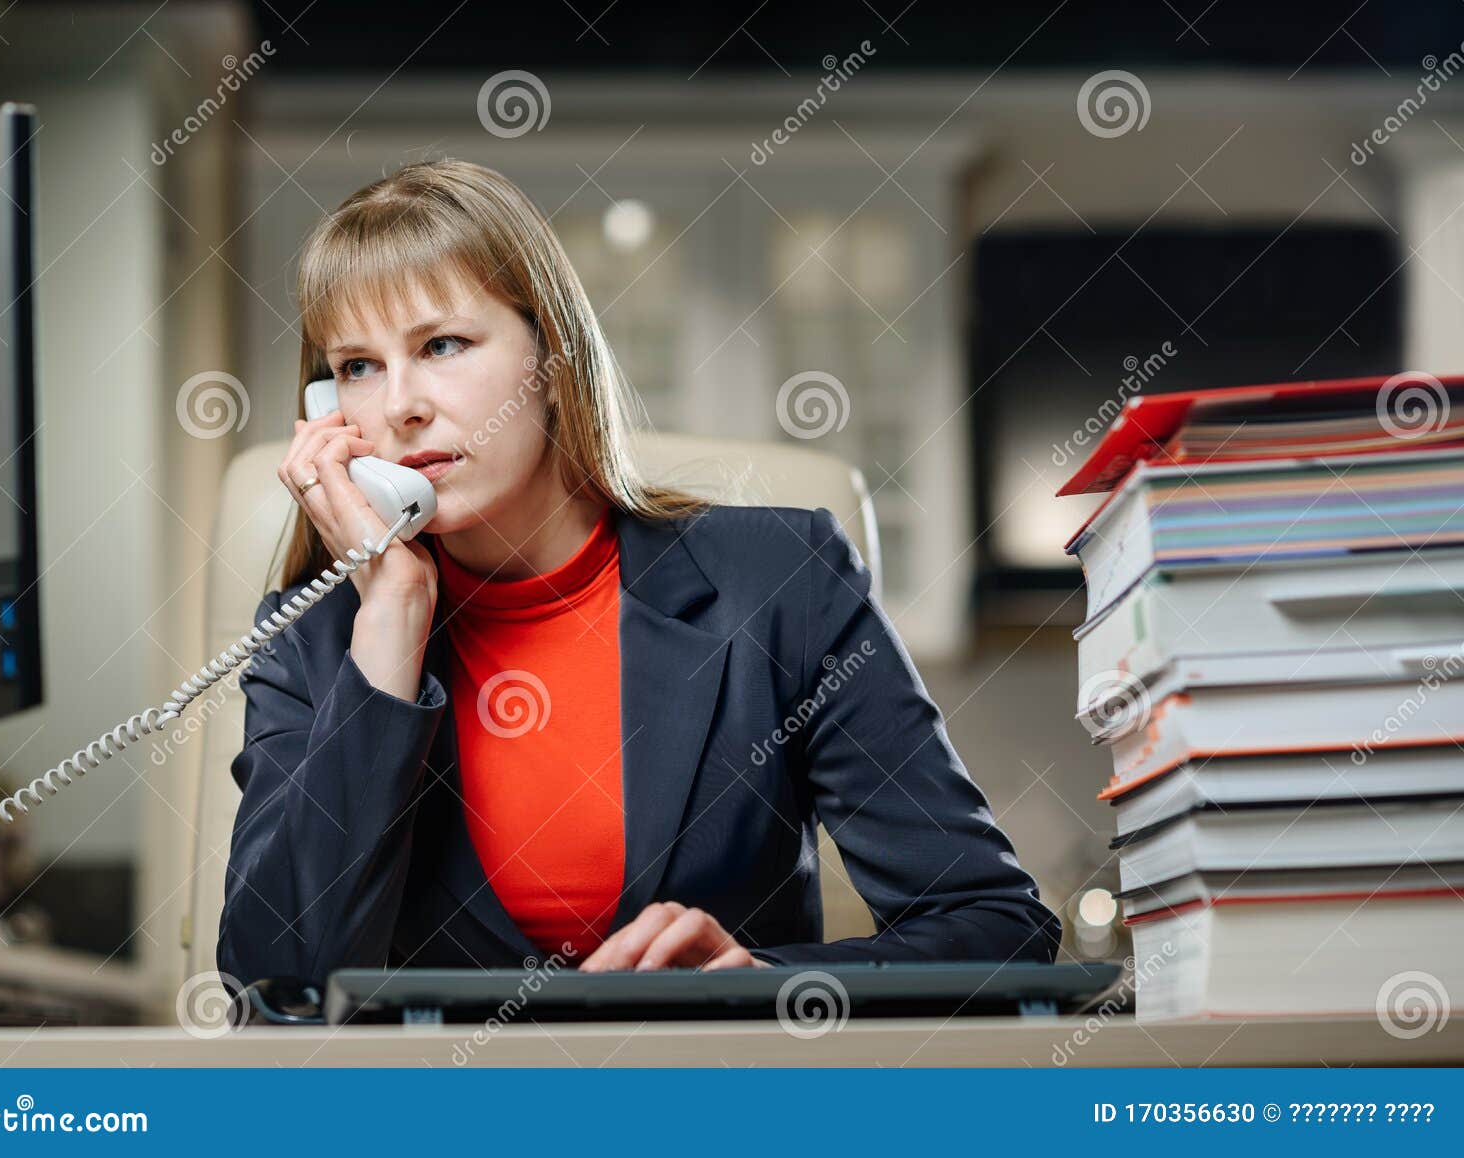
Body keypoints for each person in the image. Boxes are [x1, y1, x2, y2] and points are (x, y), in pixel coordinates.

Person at [217, 159, 1060, 988]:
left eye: (442, 344)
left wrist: (756, 977)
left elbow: (991, 922)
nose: (400, 404)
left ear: (551, 360)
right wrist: (392, 612)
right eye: (357, 366)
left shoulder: (780, 582)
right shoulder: (317, 637)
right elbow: (276, 983)